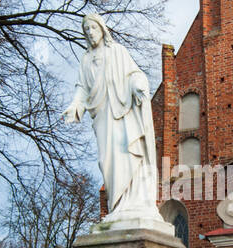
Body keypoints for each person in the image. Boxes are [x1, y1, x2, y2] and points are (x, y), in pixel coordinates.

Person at [63, 14, 160, 222]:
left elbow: (134, 74)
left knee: (128, 152)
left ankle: (134, 202)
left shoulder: (117, 51)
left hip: (123, 112)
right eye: (86, 29)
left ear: (102, 29)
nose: (90, 32)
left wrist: (137, 86)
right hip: (102, 115)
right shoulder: (86, 59)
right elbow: (81, 87)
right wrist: (75, 106)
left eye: (93, 28)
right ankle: (118, 206)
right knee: (106, 160)